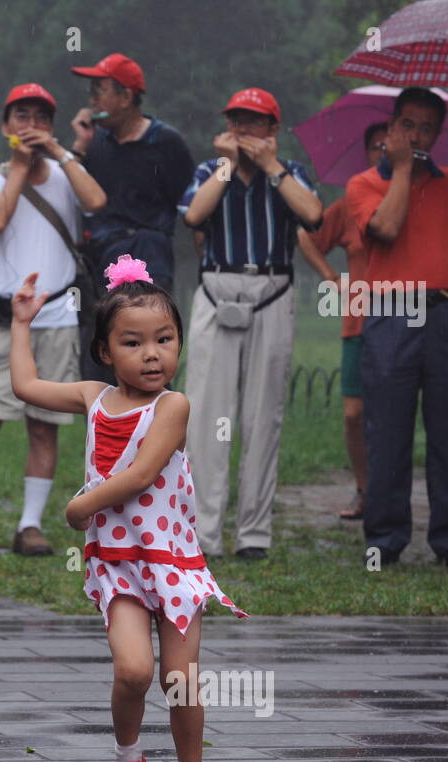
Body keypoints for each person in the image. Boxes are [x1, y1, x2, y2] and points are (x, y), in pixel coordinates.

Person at [9, 257, 247, 762]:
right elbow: (25, 385)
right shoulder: (93, 398)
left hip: (173, 563)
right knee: (135, 671)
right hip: (118, 563)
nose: (152, 354)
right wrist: (21, 324)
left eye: (165, 339)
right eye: (134, 342)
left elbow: (139, 475)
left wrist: (79, 506)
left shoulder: (174, 406)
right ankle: (128, 757)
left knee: (179, 679)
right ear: (104, 352)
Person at [0, 83, 106, 557]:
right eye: (20, 117)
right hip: (2, 321)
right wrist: (19, 167)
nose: (30, 125)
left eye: (40, 118)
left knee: (43, 426)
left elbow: (95, 202)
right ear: (5, 126)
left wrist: (61, 155)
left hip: (56, 319)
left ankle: (29, 525)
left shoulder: (66, 175)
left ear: (51, 126)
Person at [346, 86, 448, 568]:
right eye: (407, 125)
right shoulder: (365, 183)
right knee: (388, 428)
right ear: (390, 129)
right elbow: (384, 230)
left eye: (427, 127)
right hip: (392, 312)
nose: (417, 134)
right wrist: (404, 167)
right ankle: (386, 537)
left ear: (439, 132)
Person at [179, 87, 323, 560]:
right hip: (217, 290)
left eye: (254, 122)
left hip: (272, 290)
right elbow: (195, 215)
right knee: (206, 417)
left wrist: (271, 167)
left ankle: (255, 534)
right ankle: (203, 532)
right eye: (236, 121)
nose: (243, 131)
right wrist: (226, 165)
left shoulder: (289, 173)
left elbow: (314, 215)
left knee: (264, 416)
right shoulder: (209, 170)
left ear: (273, 130)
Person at [68, 53, 195, 381]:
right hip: (100, 267)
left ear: (126, 97)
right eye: (91, 92)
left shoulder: (166, 143)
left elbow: (191, 208)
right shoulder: (95, 144)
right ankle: (103, 431)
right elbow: (77, 197)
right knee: (99, 366)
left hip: (149, 263)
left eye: (100, 91)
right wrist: (80, 145)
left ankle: (152, 431)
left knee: (146, 361)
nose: (92, 100)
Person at [296, 121, 387, 520]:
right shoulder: (352, 201)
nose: (384, 153)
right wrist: (331, 277)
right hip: (358, 322)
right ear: (366, 154)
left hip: (407, 316)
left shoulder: (419, 197)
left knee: (394, 412)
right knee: (355, 412)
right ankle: (365, 489)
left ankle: (393, 494)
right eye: (377, 147)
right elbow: (307, 236)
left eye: (392, 145)